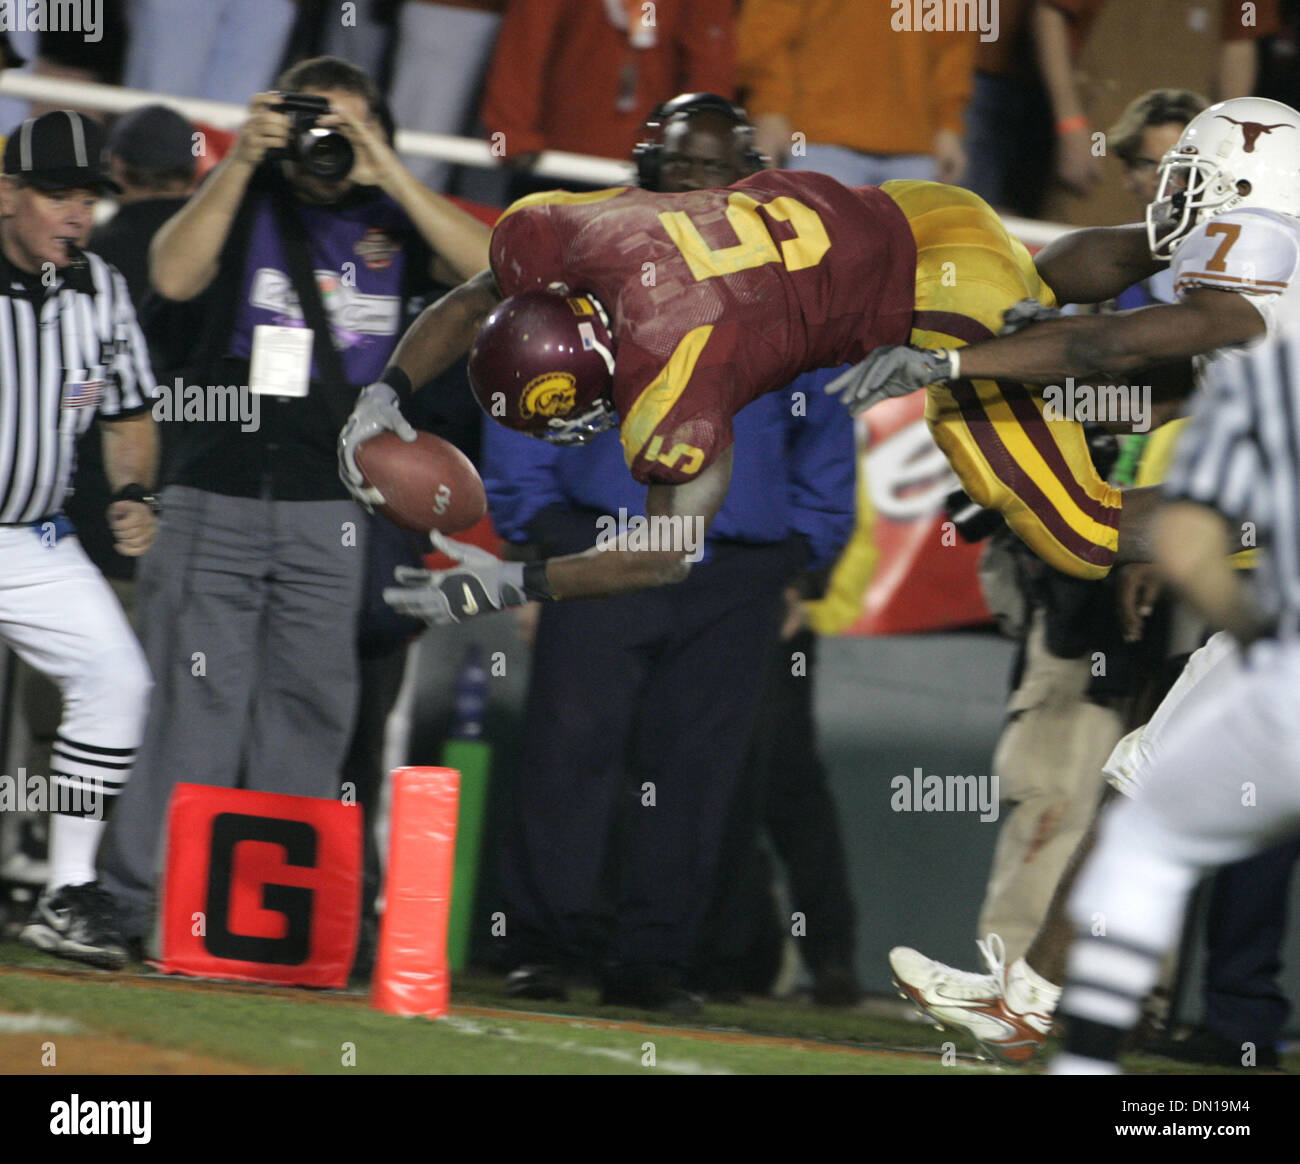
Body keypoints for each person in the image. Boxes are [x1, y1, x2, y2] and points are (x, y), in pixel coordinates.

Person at [869, 96, 1300, 1065]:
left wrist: (954, 360)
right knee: (1145, 779)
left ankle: (1034, 1002)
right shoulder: (1263, 276)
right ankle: (1029, 999)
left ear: (1238, 181)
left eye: (1190, 170)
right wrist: (1025, 376)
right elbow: (1151, 364)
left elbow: (1117, 342)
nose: (1171, 188)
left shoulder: (1260, 250)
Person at [339, 153, 1188, 619]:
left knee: (1079, 535)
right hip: (927, 208)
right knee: (1034, 270)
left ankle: (1261, 523)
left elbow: (665, 557)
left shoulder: (670, 383)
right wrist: (387, 392)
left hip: (946, 303)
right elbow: (477, 293)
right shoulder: (572, 236)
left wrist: (514, 584)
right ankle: (1205, 226)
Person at [95, 56, 491, 949]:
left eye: (350, 127)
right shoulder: (245, 194)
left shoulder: (395, 212)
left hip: (335, 506)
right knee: (193, 709)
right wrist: (240, 157)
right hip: (213, 490)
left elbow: (491, 268)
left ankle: (269, 924)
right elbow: (177, 273)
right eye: (316, 123)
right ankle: (141, 910)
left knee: (308, 718)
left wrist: (385, 165)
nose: (327, 145)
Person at [484, 94, 855, 1012]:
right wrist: (536, 533)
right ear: (647, 163)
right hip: (607, 539)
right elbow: (526, 382)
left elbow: (826, 421)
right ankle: (541, 947)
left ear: (745, 179)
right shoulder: (588, 250)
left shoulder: (798, 277)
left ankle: (653, 961)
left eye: (713, 171)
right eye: (679, 168)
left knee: (698, 773)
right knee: (570, 753)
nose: (695, 187)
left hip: (735, 565)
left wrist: (806, 555)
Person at [1052, 316, 1300, 1074]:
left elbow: (1185, 541)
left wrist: (1255, 638)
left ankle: (1087, 1061)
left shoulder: (1268, 374)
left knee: (1142, 844)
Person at [0, 111, 158, 969]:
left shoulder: (101, 289)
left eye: (88, 197)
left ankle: (66, 892)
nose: (76, 214)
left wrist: (133, 488)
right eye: (56, 194)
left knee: (117, 678)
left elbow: (129, 411)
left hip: (28, 541)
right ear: (6, 194)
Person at [738, 0, 973, 185]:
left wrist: (948, 126)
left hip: (914, 147)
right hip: (813, 140)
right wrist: (770, 109)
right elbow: (769, 25)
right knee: (815, 245)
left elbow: (953, 40)